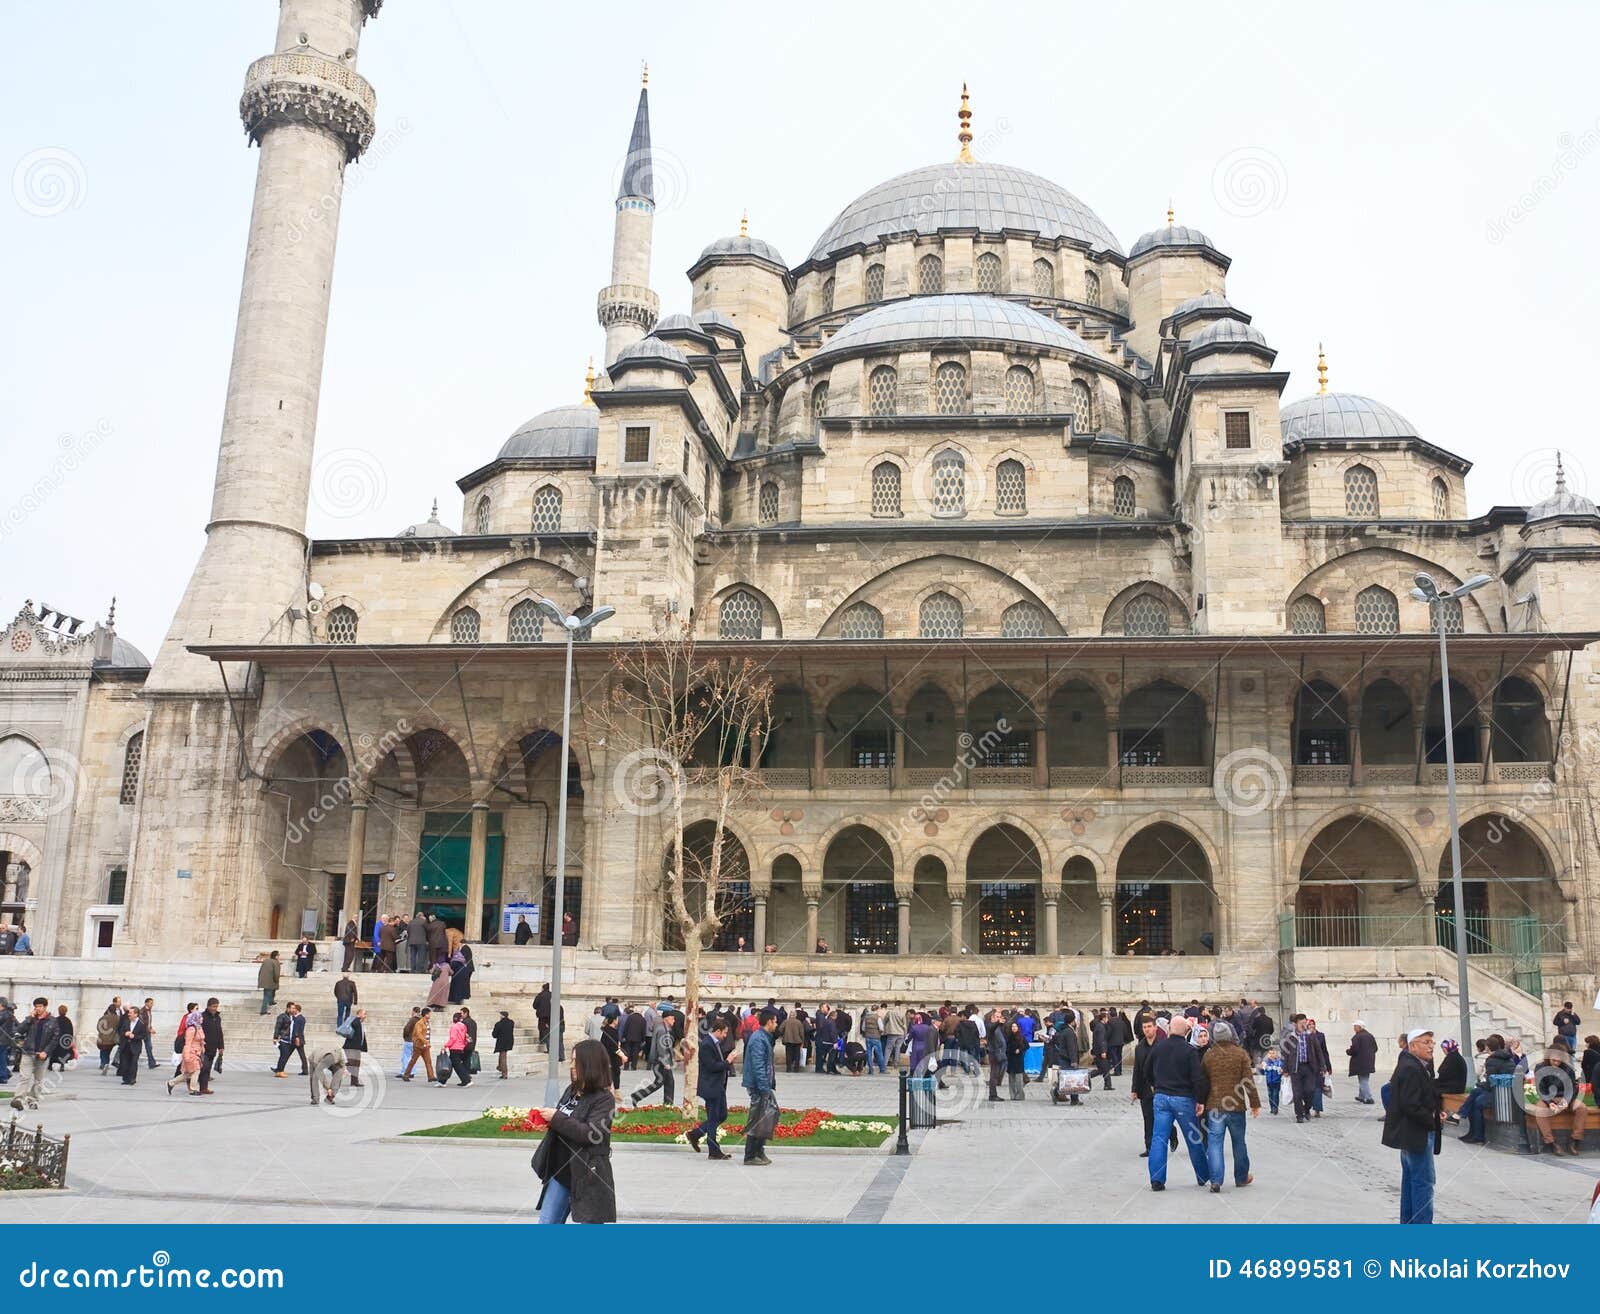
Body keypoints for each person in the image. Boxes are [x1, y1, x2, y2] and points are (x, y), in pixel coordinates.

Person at [532, 1038, 616, 1223]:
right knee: (546, 1223)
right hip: (561, 1171)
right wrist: (547, 1121)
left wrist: (556, 1118)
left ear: (589, 1064)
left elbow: (590, 1133)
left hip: (588, 1173)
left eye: (575, 1061)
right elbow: (566, 1123)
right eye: (571, 1060)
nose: (571, 1066)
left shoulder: (604, 1099)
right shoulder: (572, 1090)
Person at [1383, 1027, 1442, 1223]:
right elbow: (1411, 1104)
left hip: (1410, 1134)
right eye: (1426, 1042)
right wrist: (1431, 1119)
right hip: (1417, 1133)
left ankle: (1408, 1223)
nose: (1431, 1046)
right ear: (1413, 1045)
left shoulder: (1413, 1065)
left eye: (1431, 1042)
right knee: (1423, 1182)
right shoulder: (1411, 1068)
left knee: (1411, 1181)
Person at [1146, 1017, 1211, 1191]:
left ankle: (1157, 1179)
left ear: (1169, 1029)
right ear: (1187, 1032)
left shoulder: (1158, 1047)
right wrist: (1200, 1100)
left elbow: (1147, 1070)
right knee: (1193, 1138)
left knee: (1159, 1138)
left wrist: (1156, 1084)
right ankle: (1203, 1175)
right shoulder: (1189, 1051)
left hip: (1161, 1097)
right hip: (1183, 1098)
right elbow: (1197, 1078)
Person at [1201, 1020, 1259, 1192]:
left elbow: (1203, 1082)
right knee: (1239, 1143)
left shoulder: (1209, 1056)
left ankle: (1216, 1181)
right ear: (1230, 1035)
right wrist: (1254, 1103)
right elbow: (1248, 1081)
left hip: (1215, 1106)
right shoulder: (1240, 1054)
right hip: (1236, 1106)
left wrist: (1200, 1102)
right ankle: (1241, 1178)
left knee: (1215, 1144)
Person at [689, 1017, 733, 1160]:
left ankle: (695, 1134)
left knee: (722, 1115)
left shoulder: (715, 1043)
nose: (725, 1036)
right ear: (718, 1031)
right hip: (711, 1086)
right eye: (724, 1033)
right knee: (714, 1118)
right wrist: (728, 1061)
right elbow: (712, 1066)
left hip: (718, 1086)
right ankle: (714, 1151)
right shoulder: (707, 1044)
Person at [1459, 1034, 1515, 1144]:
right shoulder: (1508, 1057)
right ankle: (1472, 1132)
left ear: (1488, 1047)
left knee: (1477, 1102)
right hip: (1507, 1090)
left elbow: (1490, 1083)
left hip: (1499, 1093)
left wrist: (1480, 1085)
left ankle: (1476, 1133)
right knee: (1475, 1093)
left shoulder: (1492, 1060)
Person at [1531, 1044, 1586, 1154]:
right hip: (1548, 1097)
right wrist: (1550, 1103)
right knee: (1540, 1110)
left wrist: (1566, 1101)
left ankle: (1574, 1140)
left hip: (1565, 1096)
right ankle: (1551, 1142)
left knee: (1582, 1108)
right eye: (1553, 1060)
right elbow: (1540, 1089)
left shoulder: (1568, 1068)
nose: (1556, 1063)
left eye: (1559, 1061)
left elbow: (1571, 1087)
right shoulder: (1540, 1067)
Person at [741, 1008, 779, 1167]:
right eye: (775, 1021)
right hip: (758, 1086)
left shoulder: (764, 1037)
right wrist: (765, 1088)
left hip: (763, 1085)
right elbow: (758, 1066)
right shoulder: (758, 1039)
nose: (776, 1024)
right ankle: (750, 1155)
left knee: (768, 1116)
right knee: (757, 1119)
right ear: (769, 1022)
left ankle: (759, 1149)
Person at [11, 998, 59, 1111]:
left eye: (40, 1006)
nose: (38, 1008)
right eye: (36, 1006)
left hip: (42, 1055)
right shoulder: (31, 1019)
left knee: (38, 1080)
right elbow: (20, 1030)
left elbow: (55, 1039)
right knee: (24, 1077)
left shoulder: (52, 1021)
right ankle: (18, 1099)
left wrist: (46, 1052)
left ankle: (32, 1100)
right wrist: (29, 1018)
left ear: (45, 1007)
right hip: (28, 1052)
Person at [630, 1016, 676, 1107]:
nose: (674, 1021)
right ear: (666, 1018)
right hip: (661, 1062)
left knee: (668, 1082)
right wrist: (665, 1063)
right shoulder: (662, 1030)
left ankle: (668, 1103)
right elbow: (661, 1048)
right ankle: (637, 1096)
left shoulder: (662, 1028)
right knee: (660, 1083)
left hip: (660, 1061)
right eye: (672, 1019)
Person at [167, 1009, 205, 1096]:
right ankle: (193, 1089)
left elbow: (201, 1040)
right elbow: (187, 1043)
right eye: (200, 1017)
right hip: (191, 1053)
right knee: (196, 1070)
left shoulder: (199, 1028)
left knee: (188, 1073)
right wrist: (186, 1056)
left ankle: (171, 1083)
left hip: (197, 1052)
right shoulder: (191, 1029)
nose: (202, 1019)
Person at [196, 998, 224, 1095]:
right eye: (213, 1006)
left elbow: (219, 1033)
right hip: (203, 1047)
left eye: (216, 1006)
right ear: (208, 1006)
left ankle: (204, 1087)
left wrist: (221, 1046)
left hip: (213, 1047)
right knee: (204, 1067)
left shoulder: (217, 1018)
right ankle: (197, 1086)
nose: (215, 1008)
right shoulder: (202, 1017)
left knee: (207, 1068)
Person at [1347, 1019, 1378, 1104]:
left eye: (1355, 1026)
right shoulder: (1370, 1035)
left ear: (1359, 1027)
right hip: (1369, 1061)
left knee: (1363, 1080)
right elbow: (1375, 1048)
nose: (1354, 1028)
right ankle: (1361, 1096)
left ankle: (1368, 1098)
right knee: (1364, 1078)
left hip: (1360, 1062)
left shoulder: (1357, 1037)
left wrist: (1348, 1051)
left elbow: (1354, 1050)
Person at [272, 1003, 307, 1077]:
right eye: (292, 1008)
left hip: (292, 1040)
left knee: (285, 1055)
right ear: (288, 1008)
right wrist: (275, 1037)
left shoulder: (295, 1017)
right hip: (285, 1039)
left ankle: (279, 1070)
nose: (294, 1010)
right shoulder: (283, 1017)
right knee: (284, 1055)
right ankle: (280, 1070)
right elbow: (277, 1027)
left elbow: (297, 1029)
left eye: (295, 1008)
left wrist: (297, 1038)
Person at [116, 1005, 147, 1085]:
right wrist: (125, 1033)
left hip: (135, 1047)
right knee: (125, 1063)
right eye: (129, 1013)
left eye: (130, 1013)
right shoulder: (126, 1022)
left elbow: (144, 1035)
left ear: (136, 1014)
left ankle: (132, 1079)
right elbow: (120, 1031)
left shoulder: (141, 1024)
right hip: (125, 1045)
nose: (128, 1014)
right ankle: (125, 1079)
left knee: (133, 1063)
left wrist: (135, 1036)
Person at [401, 1008, 435, 1082]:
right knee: (413, 1060)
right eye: (429, 1014)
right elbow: (419, 1034)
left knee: (428, 1061)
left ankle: (431, 1076)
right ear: (425, 1014)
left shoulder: (427, 1022)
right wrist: (426, 1042)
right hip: (418, 1046)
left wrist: (427, 1043)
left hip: (425, 1046)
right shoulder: (419, 1023)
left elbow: (426, 1034)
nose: (430, 1015)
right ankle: (406, 1075)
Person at [341, 1007, 368, 1087]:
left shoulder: (360, 1022)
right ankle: (339, 1067)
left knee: (356, 1064)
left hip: (356, 1047)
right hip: (350, 1047)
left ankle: (354, 1082)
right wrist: (359, 1018)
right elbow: (354, 1024)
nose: (366, 1015)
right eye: (364, 1014)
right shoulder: (355, 1020)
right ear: (359, 1014)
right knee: (352, 1063)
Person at [445, 1011, 473, 1086]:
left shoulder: (454, 1027)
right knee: (453, 1065)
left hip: (454, 1048)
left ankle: (466, 1079)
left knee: (456, 1065)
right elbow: (465, 1037)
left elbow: (453, 1038)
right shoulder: (463, 1026)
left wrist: (445, 1046)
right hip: (460, 1048)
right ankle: (442, 1081)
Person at [95, 998, 121, 1072]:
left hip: (102, 1040)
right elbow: (119, 1028)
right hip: (112, 1040)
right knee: (107, 1052)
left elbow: (98, 1027)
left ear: (109, 1010)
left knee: (103, 1052)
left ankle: (104, 1064)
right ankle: (105, 1064)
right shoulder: (118, 1018)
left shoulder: (103, 1017)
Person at [46, 1004, 74, 1072]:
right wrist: (69, 1041)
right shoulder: (68, 1021)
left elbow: (52, 1030)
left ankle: (50, 1065)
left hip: (56, 1039)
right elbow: (70, 1031)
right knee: (63, 1053)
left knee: (54, 1052)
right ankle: (62, 1065)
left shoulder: (56, 1020)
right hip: (64, 1041)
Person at [860, 1004, 885, 1075]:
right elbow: (881, 1028)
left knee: (869, 1053)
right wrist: (879, 1032)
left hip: (868, 1037)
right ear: (877, 1010)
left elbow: (863, 1028)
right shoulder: (878, 1017)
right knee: (879, 1053)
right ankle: (882, 1069)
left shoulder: (866, 1017)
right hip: (876, 1037)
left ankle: (871, 1069)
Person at [780, 1008, 805, 1073]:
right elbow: (801, 1032)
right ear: (795, 1015)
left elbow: (780, 1029)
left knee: (788, 1055)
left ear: (789, 1015)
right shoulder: (799, 1022)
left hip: (788, 1040)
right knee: (797, 1055)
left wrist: (784, 1034)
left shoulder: (786, 1021)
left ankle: (788, 1068)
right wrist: (802, 1040)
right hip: (797, 1041)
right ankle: (796, 1069)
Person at [492, 1010, 515, 1079]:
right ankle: (500, 1067)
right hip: (509, 1041)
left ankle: (504, 1072)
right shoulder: (511, 1022)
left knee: (503, 1057)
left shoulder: (499, 1024)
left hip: (502, 1042)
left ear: (502, 1016)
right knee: (502, 1055)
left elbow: (494, 1034)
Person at [1262, 1050, 1284, 1115]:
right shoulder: (1266, 1062)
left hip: (1276, 1081)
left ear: (1276, 1054)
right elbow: (1263, 1071)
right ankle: (1271, 1107)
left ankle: (1275, 1108)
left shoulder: (1279, 1062)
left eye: (1273, 1053)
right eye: (1270, 1053)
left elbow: (1281, 1071)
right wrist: (1264, 1068)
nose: (1271, 1055)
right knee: (1270, 1094)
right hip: (1269, 1081)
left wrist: (1280, 1070)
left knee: (1275, 1094)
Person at [139, 998, 157, 1070]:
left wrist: (151, 1028)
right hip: (143, 1032)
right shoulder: (142, 1011)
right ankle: (151, 1062)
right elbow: (142, 1022)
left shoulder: (149, 1011)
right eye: (151, 1003)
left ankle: (152, 1063)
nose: (152, 1005)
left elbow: (148, 1022)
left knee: (149, 1047)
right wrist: (149, 1029)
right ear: (146, 1003)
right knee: (147, 1047)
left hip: (147, 1031)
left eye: (152, 1003)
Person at [533, 983, 552, 1051]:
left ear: (543, 988)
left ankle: (542, 1040)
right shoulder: (552, 995)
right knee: (549, 1029)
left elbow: (534, 1005)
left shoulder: (540, 995)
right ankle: (547, 1041)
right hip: (551, 1015)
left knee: (542, 1028)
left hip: (542, 1015)